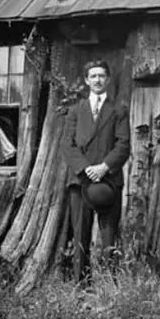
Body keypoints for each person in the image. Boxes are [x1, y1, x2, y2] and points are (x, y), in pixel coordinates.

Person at [60, 59, 130, 282]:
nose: (97, 80)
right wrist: (85, 168)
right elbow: (67, 144)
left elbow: (123, 144)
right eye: (93, 76)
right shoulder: (75, 111)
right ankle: (82, 284)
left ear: (108, 80)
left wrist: (104, 167)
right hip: (81, 180)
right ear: (86, 80)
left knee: (109, 233)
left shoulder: (118, 109)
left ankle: (110, 283)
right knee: (80, 232)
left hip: (108, 180)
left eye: (101, 76)